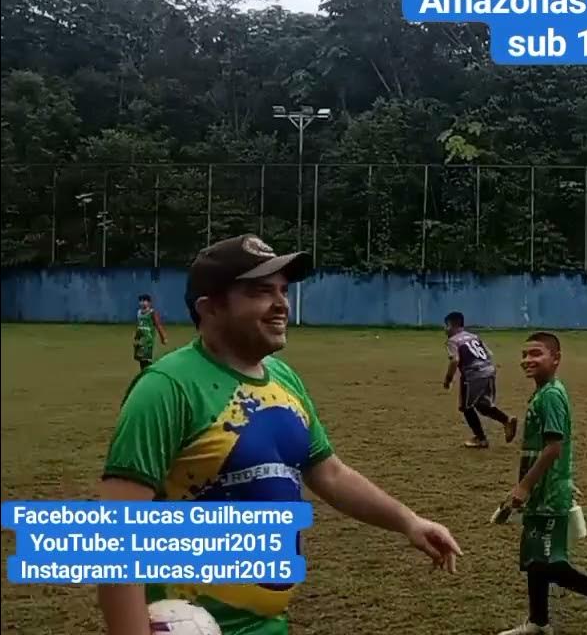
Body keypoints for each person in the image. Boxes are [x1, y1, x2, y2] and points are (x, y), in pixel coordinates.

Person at [97, 234, 463, 635]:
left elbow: (329, 473)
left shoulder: (284, 379)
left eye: (283, 291)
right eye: (260, 292)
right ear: (211, 307)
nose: (281, 304)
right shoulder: (166, 388)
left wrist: (408, 522)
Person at [498, 331, 587, 635]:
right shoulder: (542, 392)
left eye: (536, 353)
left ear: (556, 359)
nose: (528, 360)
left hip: (548, 495)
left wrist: (524, 487)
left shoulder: (551, 395)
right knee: (535, 559)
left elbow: (553, 448)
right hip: (543, 491)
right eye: (525, 354)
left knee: (548, 560)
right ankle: (538, 621)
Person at [444, 311, 517, 448]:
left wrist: (448, 379)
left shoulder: (452, 341)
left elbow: (455, 361)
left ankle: (481, 438)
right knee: (482, 405)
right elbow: (488, 354)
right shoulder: (474, 336)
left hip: (473, 375)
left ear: (452, 326)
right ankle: (507, 420)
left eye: (446, 326)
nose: (444, 329)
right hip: (489, 370)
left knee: (466, 407)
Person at [132, 293, 168, 371]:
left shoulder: (152, 312)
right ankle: (143, 374)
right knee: (140, 359)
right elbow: (138, 326)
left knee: (146, 359)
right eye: (140, 301)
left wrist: (163, 338)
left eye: (144, 300)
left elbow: (158, 325)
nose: (142, 302)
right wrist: (135, 338)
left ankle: (148, 373)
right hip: (140, 339)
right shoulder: (139, 312)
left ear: (149, 302)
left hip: (148, 339)